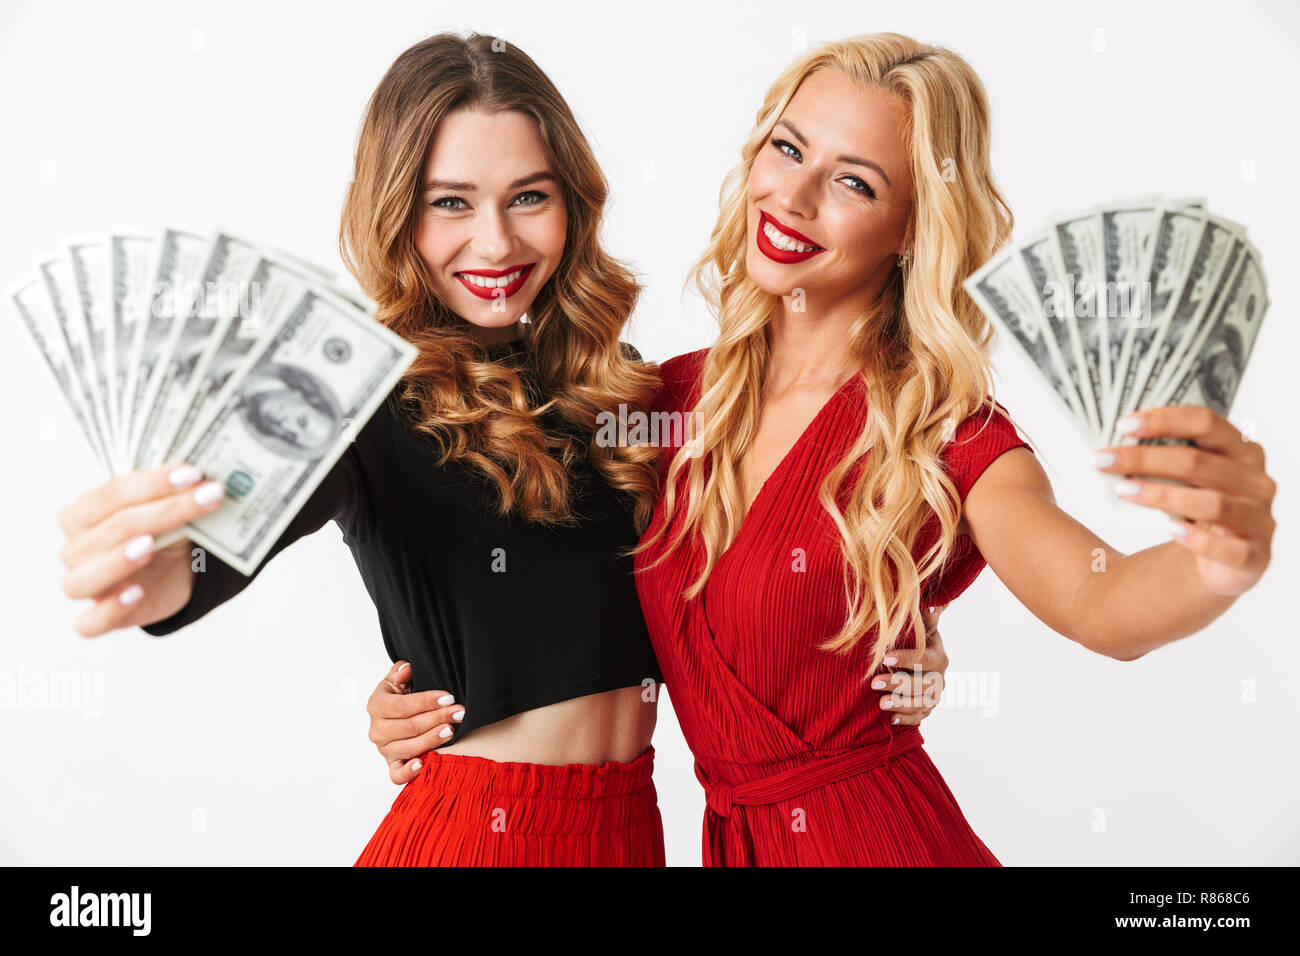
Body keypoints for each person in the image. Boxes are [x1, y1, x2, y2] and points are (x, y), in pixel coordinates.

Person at [624, 33, 1274, 866]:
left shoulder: (949, 435)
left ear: (910, 229)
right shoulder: (665, 405)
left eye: (854, 181)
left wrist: (1218, 561)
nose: (794, 195)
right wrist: (412, 697)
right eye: (789, 148)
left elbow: (1098, 604)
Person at [59, 32, 694, 867]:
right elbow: (231, 540)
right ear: (399, 211)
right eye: (451, 203)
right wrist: (158, 568)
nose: (497, 245)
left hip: (629, 831)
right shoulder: (362, 393)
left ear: (572, 201)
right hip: (477, 839)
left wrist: (914, 646)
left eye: (529, 197)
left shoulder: (623, 391)